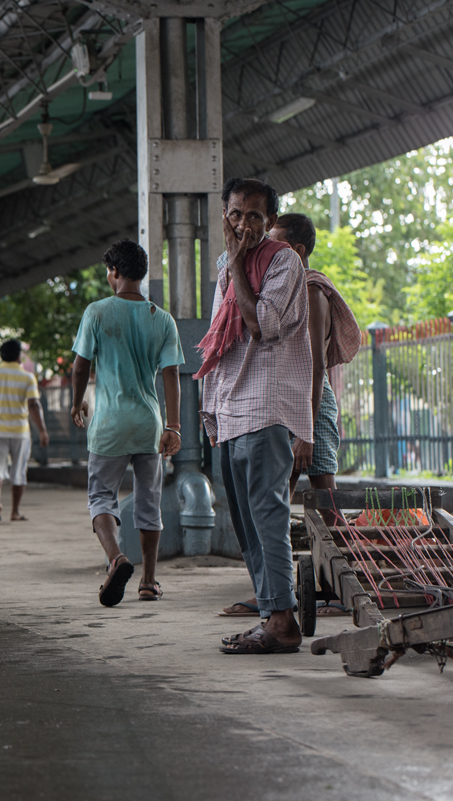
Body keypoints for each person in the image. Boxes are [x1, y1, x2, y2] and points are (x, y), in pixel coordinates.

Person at [216, 213, 363, 619]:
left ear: (296, 251)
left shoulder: (310, 288)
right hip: (296, 404)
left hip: (310, 405)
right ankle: (273, 594)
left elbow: (314, 364)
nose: (266, 251)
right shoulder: (283, 284)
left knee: (323, 505)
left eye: (275, 244)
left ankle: (337, 589)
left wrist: (307, 430)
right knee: (274, 505)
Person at [198, 178, 312, 655]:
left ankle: (283, 619)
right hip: (229, 407)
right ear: (224, 215)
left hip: (265, 405)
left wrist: (242, 266)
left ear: (269, 222)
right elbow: (217, 335)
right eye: (235, 214)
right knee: (244, 521)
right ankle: (271, 613)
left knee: (268, 514)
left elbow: (258, 323)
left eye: (254, 216)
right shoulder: (226, 265)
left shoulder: (283, 261)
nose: (243, 224)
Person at [70, 240, 184, 605]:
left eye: (108, 271)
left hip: (108, 424)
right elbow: (171, 375)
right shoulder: (161, 318)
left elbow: (80, 365)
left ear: (115, 272)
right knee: (149, 503)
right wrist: (174, 426)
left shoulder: (97, 312)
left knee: (101, 496)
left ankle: (116, 558)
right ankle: (149, 581)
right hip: (149, 425)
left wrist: (76, 402)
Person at [0, 339, 49, 522]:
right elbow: (33, 404)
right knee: (18, 471)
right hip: (20, 431)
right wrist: (42, 430)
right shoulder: (27, 377)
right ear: (18, 355)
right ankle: (15, 511)